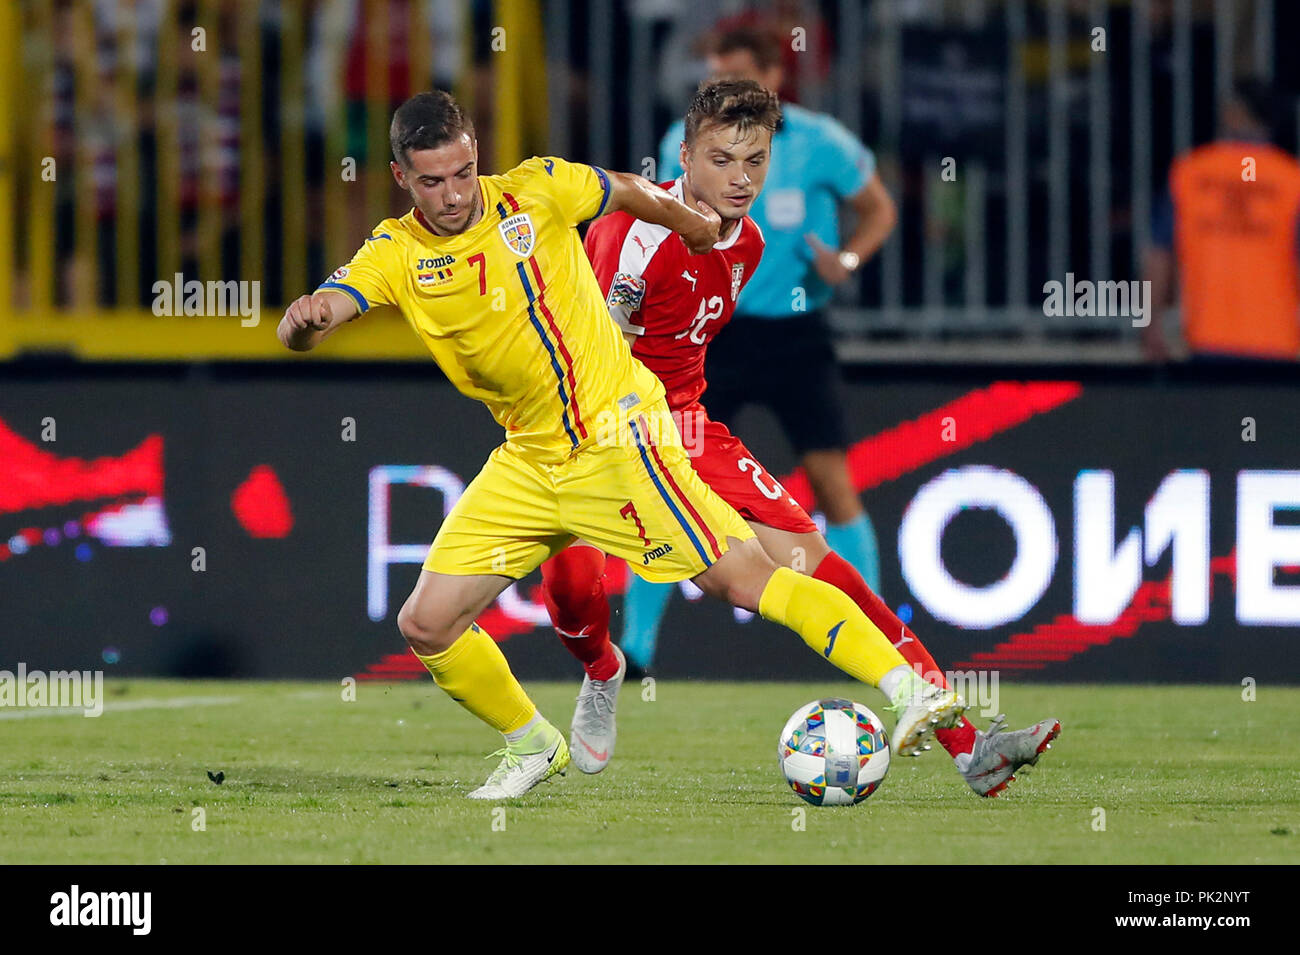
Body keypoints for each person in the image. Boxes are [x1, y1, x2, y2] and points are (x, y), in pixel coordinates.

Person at [277, 90, 964, 800]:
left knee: (745, 578)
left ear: (476, 153)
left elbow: (624, 189)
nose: (452, 194)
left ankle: (909, 688)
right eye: (432, 181)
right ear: (400, 178)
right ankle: (533, 743)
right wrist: (307, 319)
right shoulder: (397, 251)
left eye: (462, 172)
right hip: (528, 457)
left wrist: (687, 222)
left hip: (617, 435)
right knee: (426, 622)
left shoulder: (537, 189)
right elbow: (331, 305)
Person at [541, 79, 1060, 797]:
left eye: (755, 161)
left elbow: (683, 365)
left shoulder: (746, 244)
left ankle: (969, 745)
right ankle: (602, 669)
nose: (741, 177)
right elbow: (593, 355)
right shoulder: (631, 234)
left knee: (822, 567)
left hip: (687, 431)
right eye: (722, 159)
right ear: (683, 156)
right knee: (571, 593)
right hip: (592, 434)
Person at [620, 24, 897, 673]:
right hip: (708, 335)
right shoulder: (684, 142)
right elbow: (654, 223)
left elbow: (878, 208)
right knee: (667, 487)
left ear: (773, 75)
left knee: (832, 481)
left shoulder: (822, 140)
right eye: (712, 79)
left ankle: (874, 639)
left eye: (734, 76)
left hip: (797, 333)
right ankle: (635, 648)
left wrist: (848, 259)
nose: (719, 91)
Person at [1143, 79, 1300, 362]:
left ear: (1231, 113)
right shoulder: (1292, 180)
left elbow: (1159, 256)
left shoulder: (1189, 173)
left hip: (1209, 336)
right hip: (1278, 339)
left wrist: (1150, 323)